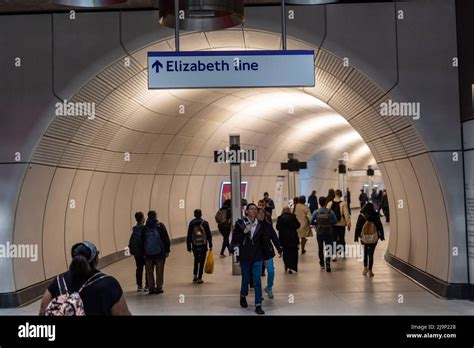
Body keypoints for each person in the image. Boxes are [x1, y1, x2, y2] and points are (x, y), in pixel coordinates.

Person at [39, 241, 131, 316]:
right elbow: (121, 313)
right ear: (96, 260)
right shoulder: (109, 284)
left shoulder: (59, 281)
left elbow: (43, 310)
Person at [231, 203, 272, 315]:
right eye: (252, 209)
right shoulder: (240, 224)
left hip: (257, 257)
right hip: (245, 257)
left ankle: (258, 304)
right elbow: (235, 239)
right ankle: (243, 294)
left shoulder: (260, 225)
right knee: (246, 280)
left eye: (255, 209)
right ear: (247, 211)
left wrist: (266, 257)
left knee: (257, 281)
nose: (254, 211)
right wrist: (244, 232)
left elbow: (264, 242)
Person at [257, 208, 282, 299]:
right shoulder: (253, 225)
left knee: (271, 271)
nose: (261, 215)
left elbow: (274, 237)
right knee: (258, 273)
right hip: (257, 253)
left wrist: (279, 249)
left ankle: (269, 287)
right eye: (259, 213)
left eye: (263, 213)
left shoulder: (268, 225)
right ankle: (258, 292)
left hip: (268, 252)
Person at [354, 203, 385, 277]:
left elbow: (358, 227)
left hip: (364, 237)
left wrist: (356, 236)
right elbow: (379, 226)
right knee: (371, 254)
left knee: (365, 252)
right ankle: (370, 271)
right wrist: (382, 236)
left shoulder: (361, 216)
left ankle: (365, 269)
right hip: (373, 238)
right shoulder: (375, 215)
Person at [144, 210, 171, 295]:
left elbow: (142, 241)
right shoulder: (160, 226)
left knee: (149, 271)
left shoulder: (145, 228)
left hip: (148, 254)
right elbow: (166, 238)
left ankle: (151, 288)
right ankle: (159, 288)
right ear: (155, 216)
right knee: (159, 270)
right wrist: (167, 250)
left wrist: (143, 252)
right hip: (160, 253)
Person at [311, 197, 337, 272]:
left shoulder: (316, 212)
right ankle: (328, 262)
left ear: (319, 203)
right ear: (325, 202)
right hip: (329, 232)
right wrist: (329, 223)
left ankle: (322, 263)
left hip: (319, 232)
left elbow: (311, 222)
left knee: (320, 248)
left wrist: (317, 224)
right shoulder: (330, 212)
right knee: (328, 247)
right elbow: (335, 221)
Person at [187, 209, 213, 284]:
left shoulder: (192, 223)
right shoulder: (205, 223)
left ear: (194, 215)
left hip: (195, 245)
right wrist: (210, 244)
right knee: (202, 261)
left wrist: (189, 246)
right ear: (201, 214)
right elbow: (209, 235)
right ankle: (200, 278)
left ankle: (195, 275)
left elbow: (189, 235)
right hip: (203, 245)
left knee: (196, 259)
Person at [326, 189, 351, 260]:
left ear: (335, 194)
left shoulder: (330, 203)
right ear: (340, 195)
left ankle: (334, 255)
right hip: (341, 224)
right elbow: (346, 214)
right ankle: (342, 253)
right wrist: (348, 223)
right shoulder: (343, 203)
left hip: (332, 224)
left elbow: (327, 214)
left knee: (333, 239)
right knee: (341, 238)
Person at [128, 211, 148, 292]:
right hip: (144, 251)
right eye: (143, 217)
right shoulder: (145, 228)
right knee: (148, 268)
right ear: (142, 219)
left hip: (137, 252)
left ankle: (139, 285)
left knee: (139, 268)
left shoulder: (135, 229)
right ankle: (147, 285)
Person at [276, 207, 300, 273]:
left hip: (283, 238)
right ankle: (293, 267)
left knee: (286, 252)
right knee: (294, 253)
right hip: (293, 238)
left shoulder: (280, 218)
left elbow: (277, 227)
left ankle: (287, 265)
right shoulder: (293, 217)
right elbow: (298, 225)